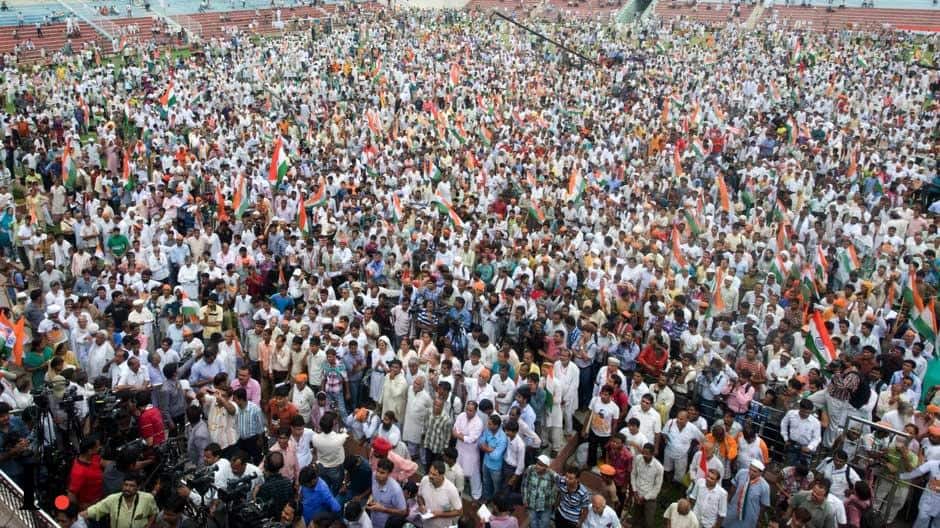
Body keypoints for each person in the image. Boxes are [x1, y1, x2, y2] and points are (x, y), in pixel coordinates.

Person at [80, 472, 159, 528]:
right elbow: (93, 511)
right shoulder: (112, 499)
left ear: (138, 487)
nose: (127, 488)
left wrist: (148, 525)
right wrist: (74, 518)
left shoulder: (147, 498)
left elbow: (154, 513)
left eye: (132, 486)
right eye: (125, 485)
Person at [724, 460, 771, 528]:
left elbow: (764, 505)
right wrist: (728, 501)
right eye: (750, 469)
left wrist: (758, 519)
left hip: (749, 516)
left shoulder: (764, 486)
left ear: (760, 473)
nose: (751, 472)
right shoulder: (742, 473)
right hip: (734, 510)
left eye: (754, 471)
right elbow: (733, 488)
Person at [416, 460, 462, 528]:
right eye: (430, 472)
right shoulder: (425, 480)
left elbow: (459, 511)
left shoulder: (451, 490)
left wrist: (439, 514)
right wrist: (421, 505)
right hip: (426, 524)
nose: (430, 476)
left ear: (442, 475)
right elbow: (419, 496)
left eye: (434, 474)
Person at [367, 457, 408, 528]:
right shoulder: (373, 475)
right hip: (373, 519)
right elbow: (373, 489)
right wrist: (371, 498)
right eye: (377, 470)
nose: (378, 474)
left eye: (382, 473)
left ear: (389, 474)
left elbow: (403, 512)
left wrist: (383, 509)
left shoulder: (396, 490)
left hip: (386, 524)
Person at [632, 443, 664, 528]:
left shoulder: (659, 468)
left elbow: (657, 488)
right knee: (635, 519)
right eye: (643, 453)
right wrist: (635, 491)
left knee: (648, 522)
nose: (644, 455)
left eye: (647, 454)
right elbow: (633, 474)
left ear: (652, 454)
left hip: (650, 497)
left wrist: (645, 498)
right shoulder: (638, 459)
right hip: (637, 494)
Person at [521, 455, 557, 528]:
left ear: (546, 467)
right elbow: (524, 485)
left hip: (545, 507)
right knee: (533, 523)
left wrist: (552, 502)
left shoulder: (552, 475)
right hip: (531, 504)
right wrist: (524, 499)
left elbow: (556, 489)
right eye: (537, 463)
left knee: (544, 524)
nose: (537, 466)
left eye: (541, 465)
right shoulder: (530, 469)